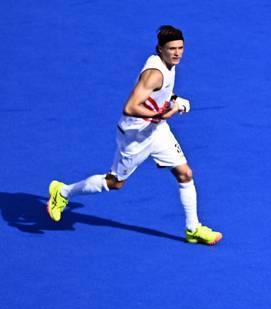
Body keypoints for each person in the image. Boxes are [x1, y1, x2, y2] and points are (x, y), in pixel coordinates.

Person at [46, 25, 221, 245]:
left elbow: (161, 95)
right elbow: (130, 107)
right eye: (171, 49)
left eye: (180, 48)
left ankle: (193, 228)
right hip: (135, 136)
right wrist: (170, 111)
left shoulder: (168, 65)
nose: (177, 53)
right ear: (160, 49)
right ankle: (62, 192)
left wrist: (174, 99)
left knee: (185, 174)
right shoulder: (154, 75)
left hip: (156, 131)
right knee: (115, 183)